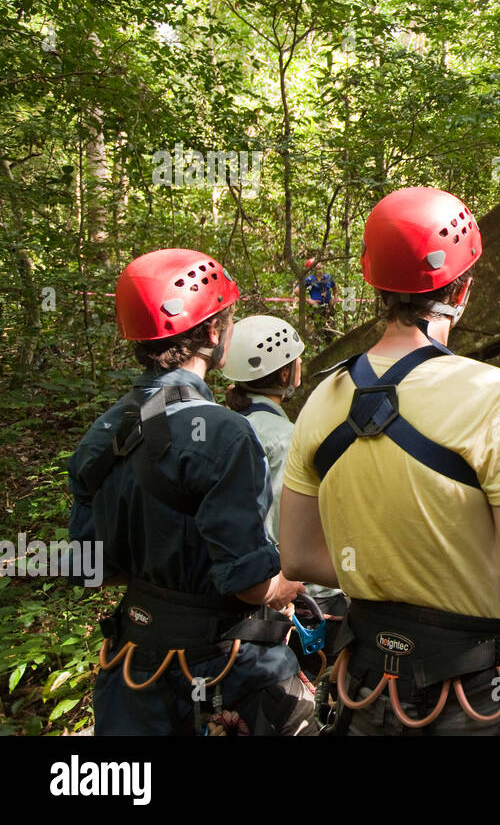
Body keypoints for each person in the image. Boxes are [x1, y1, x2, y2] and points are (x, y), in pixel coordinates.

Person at [278, 187, 500, 735]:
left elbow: (298, 557)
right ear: (465, 288)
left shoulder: (324, 395)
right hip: (469, 692)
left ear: (375, 283)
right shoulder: (497, 393)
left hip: (363, 683)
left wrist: (382, 569)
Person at [67, 249, 315, 736]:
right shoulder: (225, 433)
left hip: (131, 675)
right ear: (212, 334)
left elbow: (90, 570)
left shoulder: (103, 431)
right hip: (224, 673)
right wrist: (296, 579)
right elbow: (251, 584)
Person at [223, 315, 348, 667]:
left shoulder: (226, 428)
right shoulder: (287, 438)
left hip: (245, 594)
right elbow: (291, 527)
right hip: (301, 599)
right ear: (283, 374)